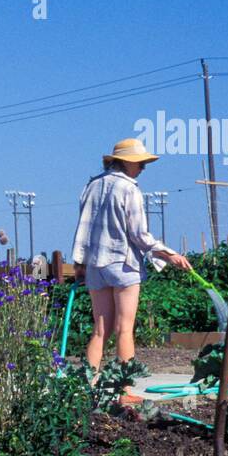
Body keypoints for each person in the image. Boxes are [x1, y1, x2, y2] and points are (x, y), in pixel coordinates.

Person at [71, 138, 192, 370]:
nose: (143, 168)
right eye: (140, 163)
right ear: (126, 162)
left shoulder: (91, 186)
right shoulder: (129, 189)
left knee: (100, 330)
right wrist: (169, 255)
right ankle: (125, 391)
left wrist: (80, 264)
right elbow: (139, 234)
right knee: (124, 329)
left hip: (95, 265)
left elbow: (83, 228)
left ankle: (87, 386)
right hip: (122, 264)